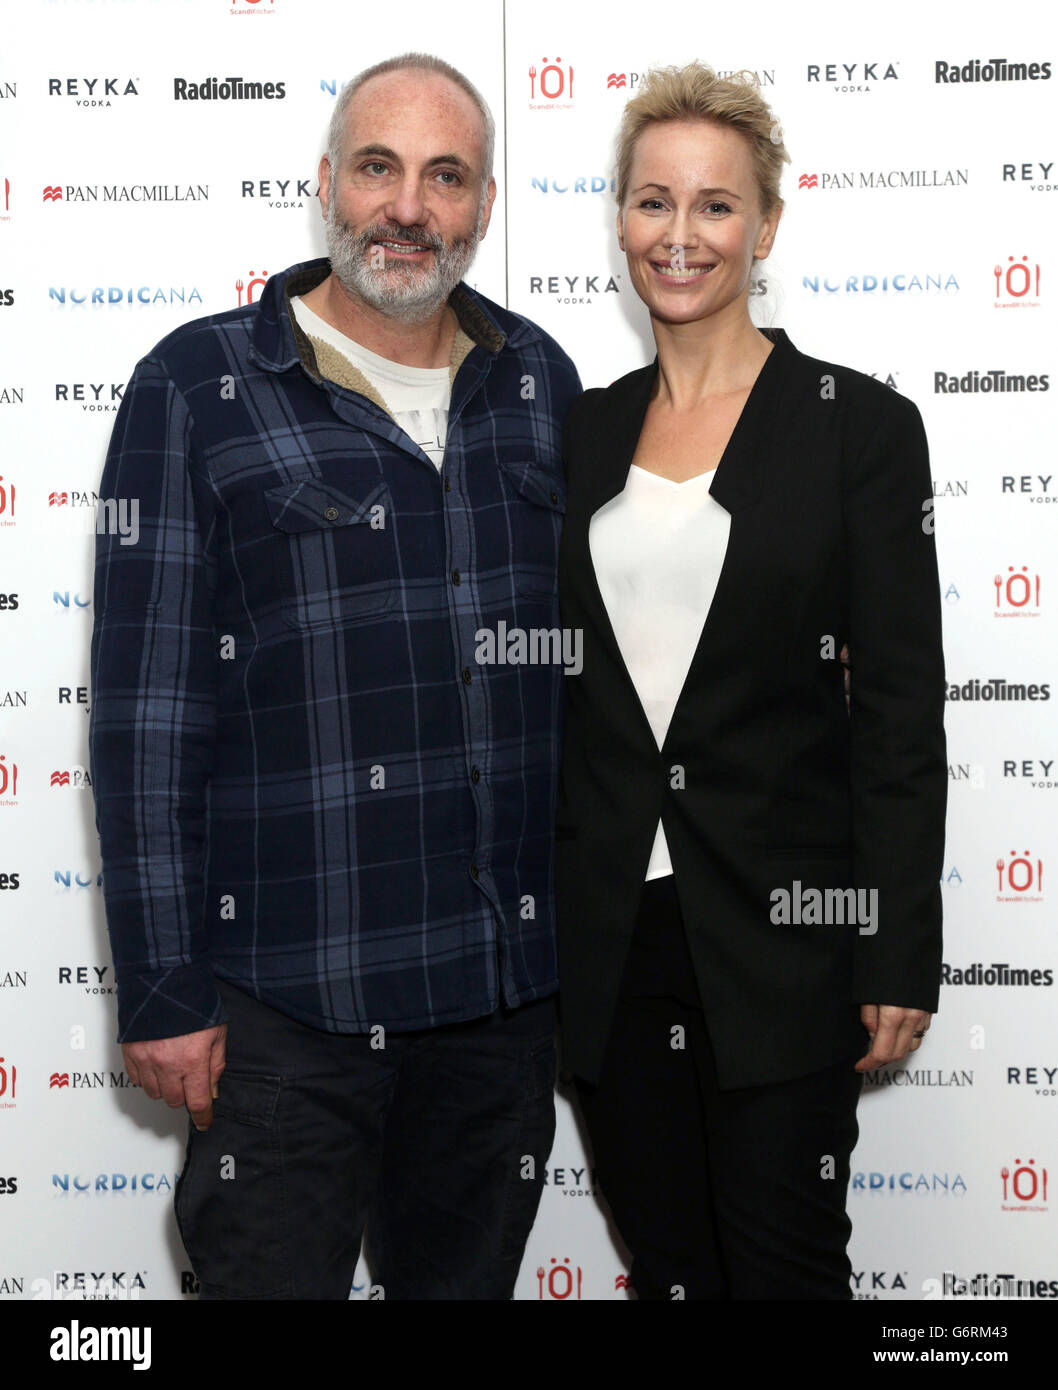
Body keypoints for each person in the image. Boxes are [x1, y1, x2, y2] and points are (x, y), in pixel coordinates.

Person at [89, 51, 580, 1300]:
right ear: (325, 185)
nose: (408, 207)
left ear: (481, 205)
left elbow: (587, 678)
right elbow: (146, 716)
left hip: (496, 1008)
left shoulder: (540, 383)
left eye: (444, 175)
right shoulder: (195, 385)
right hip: (283, 1012)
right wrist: (160, 990)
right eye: (378, 168)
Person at [555, 63, 946, 1300]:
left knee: (781, 1268)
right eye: (652, 202)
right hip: (610, 938)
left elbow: (896, 710)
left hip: (783, 940)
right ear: (618, 218)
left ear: (766, 223)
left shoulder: (857, 429)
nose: (680, 237)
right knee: (668, 1265)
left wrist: (891, 943)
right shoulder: (575, 432)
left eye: (715, 206)